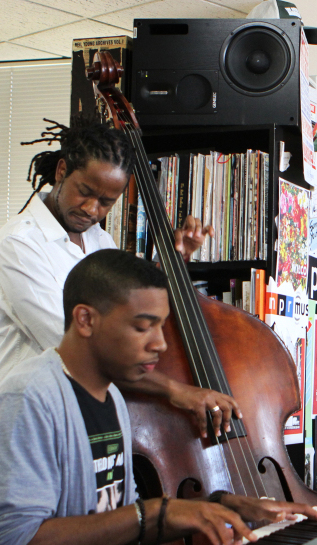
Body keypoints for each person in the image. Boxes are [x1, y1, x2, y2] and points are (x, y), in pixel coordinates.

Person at [0, 249, 317, 545]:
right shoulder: (29, 397)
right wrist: (154, 513)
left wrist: (219, 506)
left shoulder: (112, 401)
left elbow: (124, 525)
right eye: (143, 327)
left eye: (161, 325)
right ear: (85, 319)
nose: (160, 343)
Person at [0, 117, 238, 438]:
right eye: (84, 192)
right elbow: (85, 349)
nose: (91, 209)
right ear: (61, 171)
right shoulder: (16, 245)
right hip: (27, 421)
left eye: (106, 202)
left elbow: (130, 310)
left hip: (82, 416)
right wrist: (174, 389)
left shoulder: (100, 241)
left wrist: (174, 260)